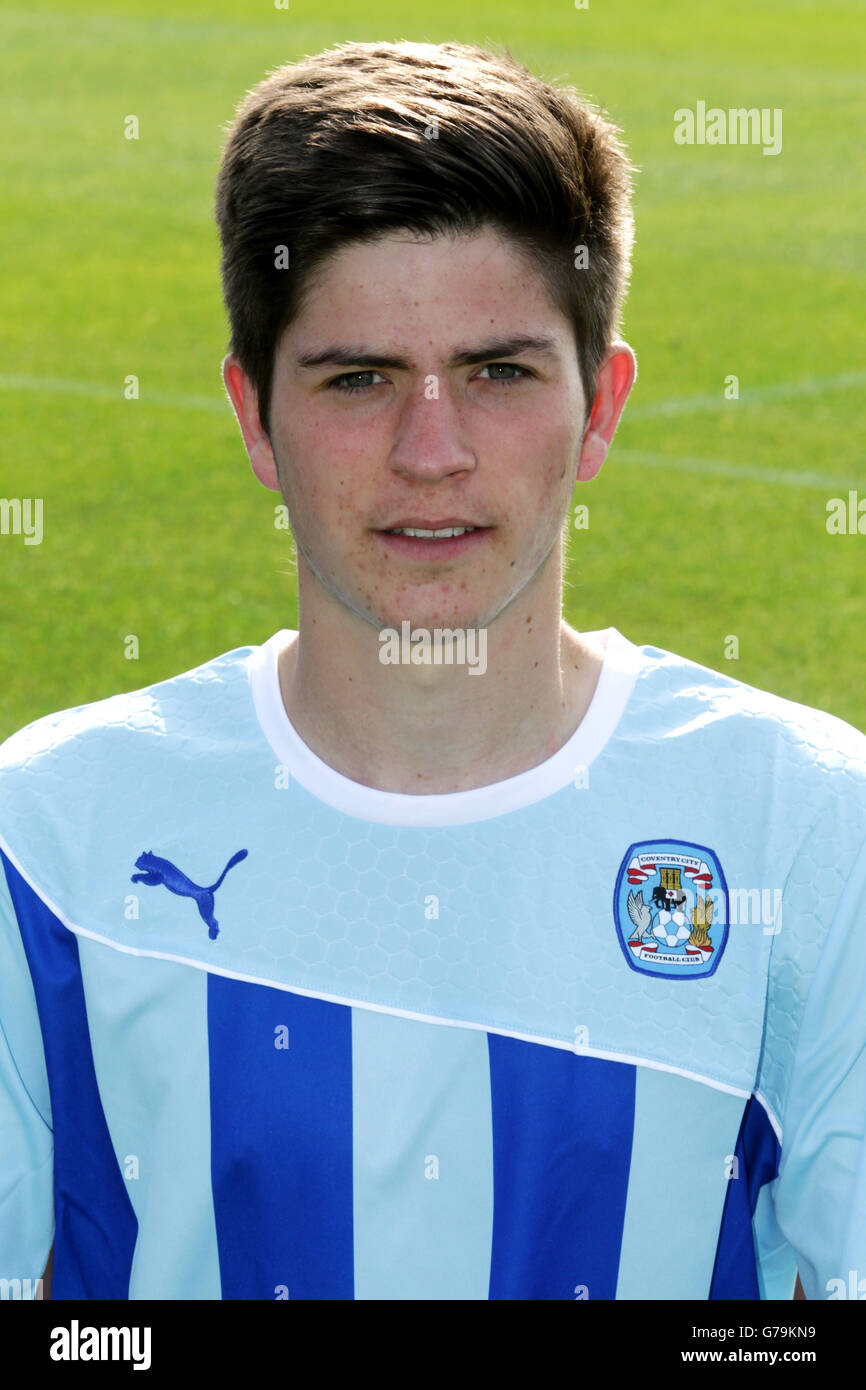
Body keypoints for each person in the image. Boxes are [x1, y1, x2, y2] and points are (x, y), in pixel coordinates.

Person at [1, 39, 864, 1302]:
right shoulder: (49, 840)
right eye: (358, 380)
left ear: (602, 405)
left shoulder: (804, 823)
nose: (431, 450)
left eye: (498, 372)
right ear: (252, 415)